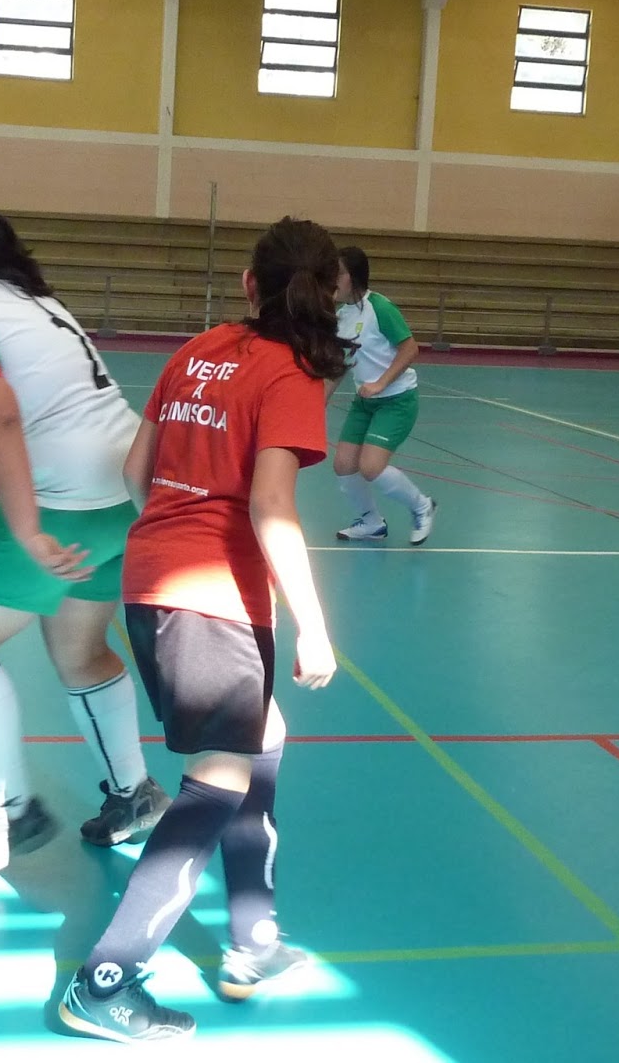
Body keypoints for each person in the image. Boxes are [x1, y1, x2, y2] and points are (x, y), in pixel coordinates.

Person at [57, 217, 345, 1043]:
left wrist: (178, 532)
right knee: (219, 776)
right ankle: (106, 979)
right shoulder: (292, 373)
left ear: (251, 286)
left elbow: (135, 473)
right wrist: (314, 628)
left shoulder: (198, 348)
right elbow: (271, 505)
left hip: (157, 575)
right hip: (209, 592)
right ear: (327, 298)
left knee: (263, 742)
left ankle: (254, 940)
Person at [0, 202, 170, 881]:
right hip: (129, 490)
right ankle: (133, 794)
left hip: (67, 504)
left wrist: (25, 524)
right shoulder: (38, 303)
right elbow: (63, 402)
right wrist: (3, 482)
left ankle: (8, 812)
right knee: (82, 652)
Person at [330, 246, 436, 545]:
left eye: (338, 273)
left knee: (371, 467)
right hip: (364, 403)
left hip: (397, 400)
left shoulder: (380, 308)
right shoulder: (342, 317)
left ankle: (422, 506)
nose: (332, 280)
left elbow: (410, 348)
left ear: (355, 276)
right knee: (344, 465)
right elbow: (340, 364)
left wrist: (380, 383)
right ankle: (371, 522)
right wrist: (320, 398)